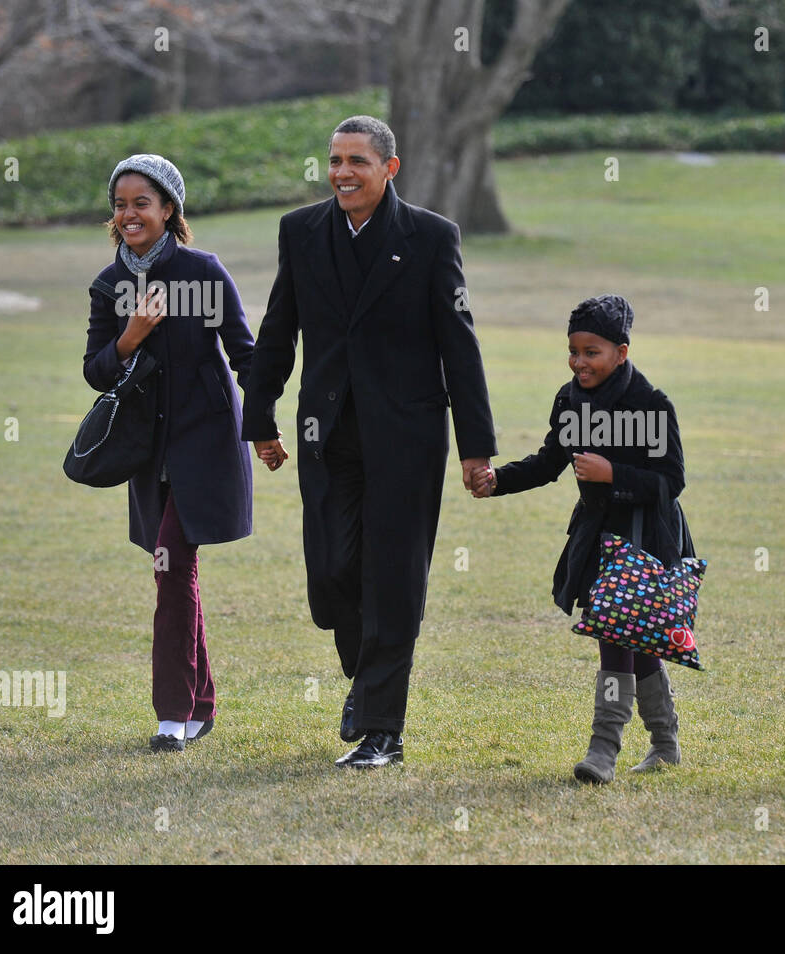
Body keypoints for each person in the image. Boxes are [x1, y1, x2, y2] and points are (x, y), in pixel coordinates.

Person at [240, 116, 496, 769]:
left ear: (390, 167)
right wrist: (260, 416)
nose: (342, 173)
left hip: (407, 436)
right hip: (326, 433)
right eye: (334, 161)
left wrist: (475, 445)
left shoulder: (433, 238)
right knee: (331, 575)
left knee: (393, 579)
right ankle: (365, 675)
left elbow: (457, 346)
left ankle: (383, 728)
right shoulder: (299, 232)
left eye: (357, 160)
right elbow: (278, 329)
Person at [472, 295, 693, 784]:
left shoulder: (651, 405)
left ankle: (603, 751)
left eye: (591, 352)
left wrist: (612, 472)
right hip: (596, 538)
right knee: (632, 638)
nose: (579, 361)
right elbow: (550, 461)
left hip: (647, 540)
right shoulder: (570, 400)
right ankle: (665, 741)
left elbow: (670, 483)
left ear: (622, 352)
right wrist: (498, 480)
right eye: (573, 350)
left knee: (618, 636)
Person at [83, 154, 256, 753]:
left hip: (205, 447)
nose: (129, 214)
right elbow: (96, 372)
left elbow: (245, 353)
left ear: (169, 210)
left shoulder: (202, 273)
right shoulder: (110, 286)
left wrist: (262, 427)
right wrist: (130, 335)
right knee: (173, 565)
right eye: (121, 204)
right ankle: (200, 702)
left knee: (171, 563)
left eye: (142, 203)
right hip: (146, 455)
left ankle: (173, 716)